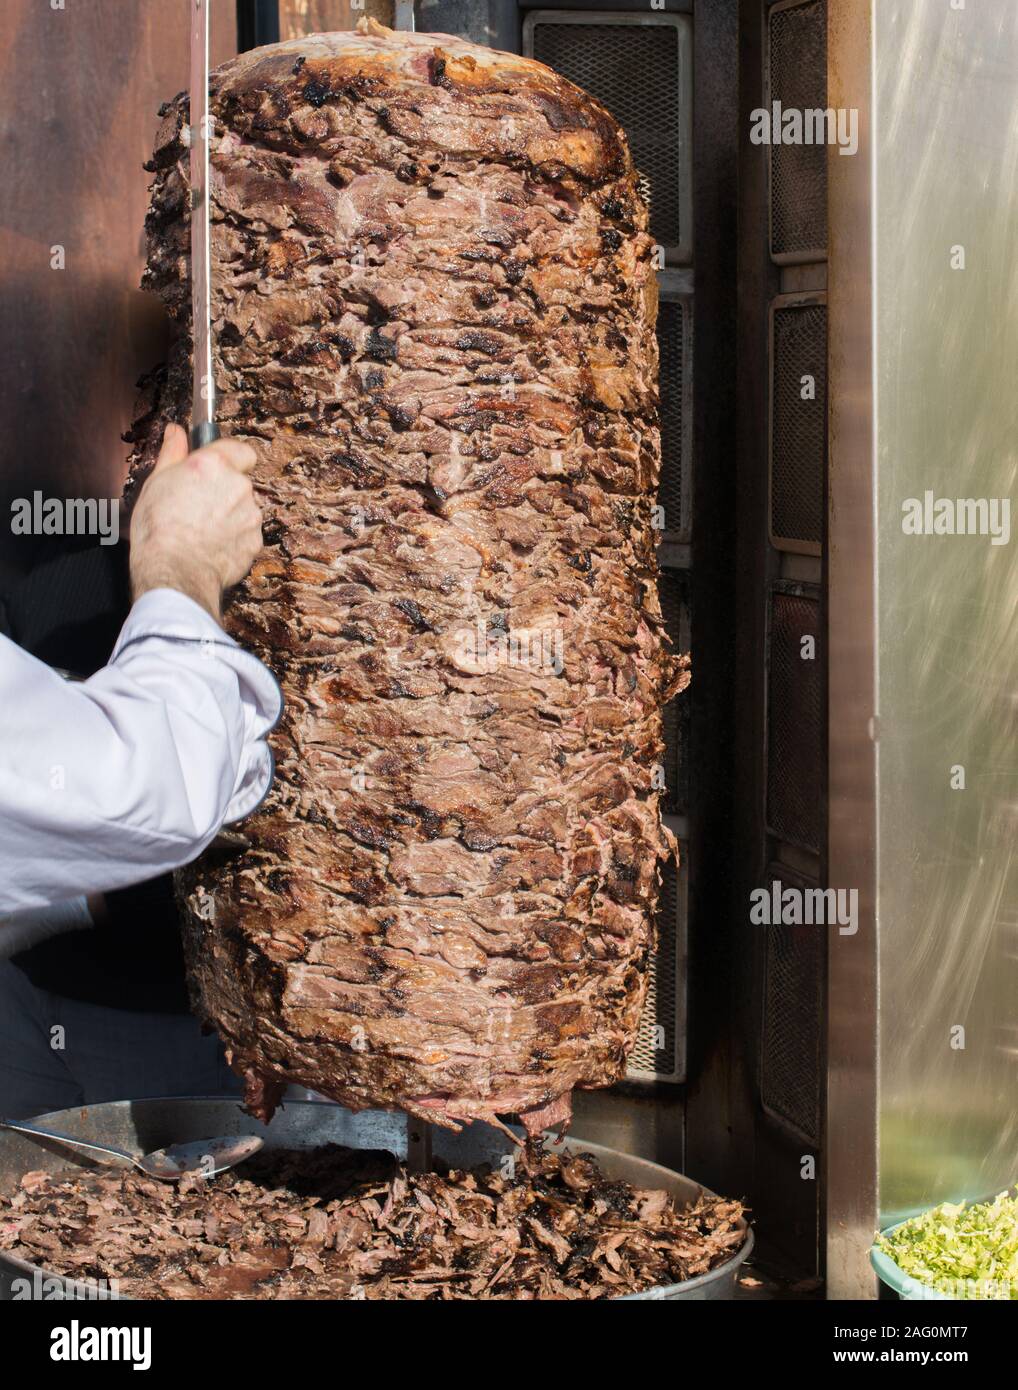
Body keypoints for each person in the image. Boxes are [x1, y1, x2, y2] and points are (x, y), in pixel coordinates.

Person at [0, 424, 281, 1116]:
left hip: (178, 1023)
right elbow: (146, 784)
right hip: (51, 1001)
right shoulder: (55, 593)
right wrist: (179, 561)